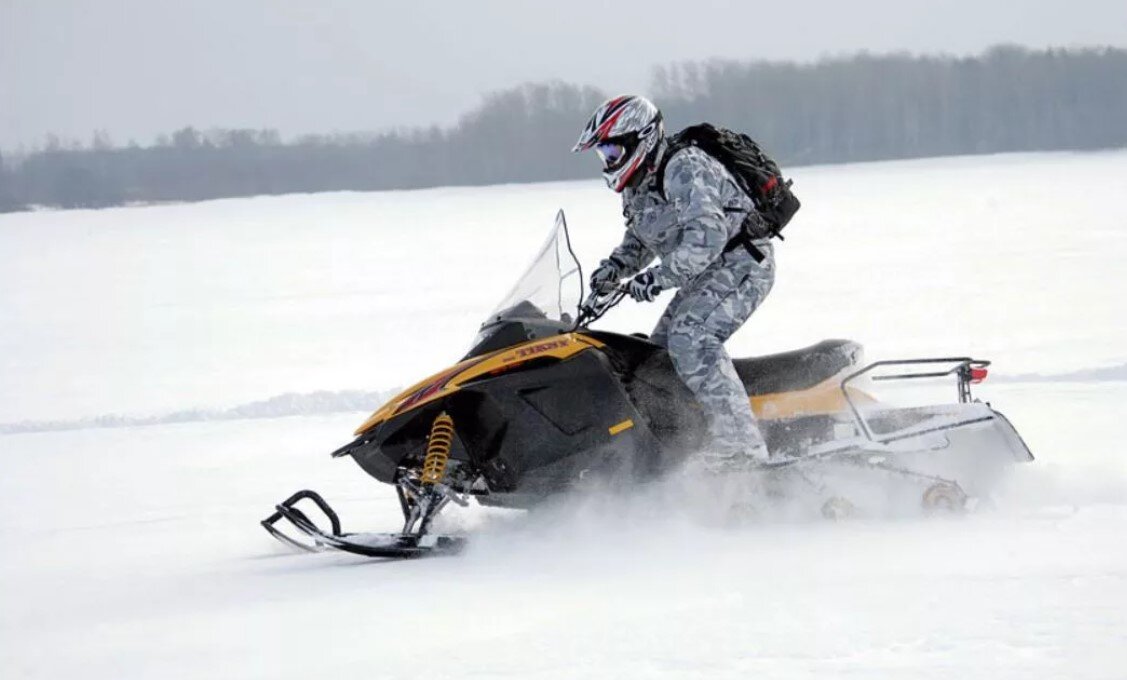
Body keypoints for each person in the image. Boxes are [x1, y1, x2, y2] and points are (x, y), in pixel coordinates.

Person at [572, 95, 776, 470]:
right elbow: (642, 238)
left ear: (642, 139)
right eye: (604, 155)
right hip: (708, 270)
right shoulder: (638, 183)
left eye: (613, 151)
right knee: (658, 357)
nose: (610, 162)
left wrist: (657, 278)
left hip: (743, 261)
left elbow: (708, 235)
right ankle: (684, 439)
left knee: (691, 340)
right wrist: (614, 268)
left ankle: (741, 447)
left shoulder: (684, 168)